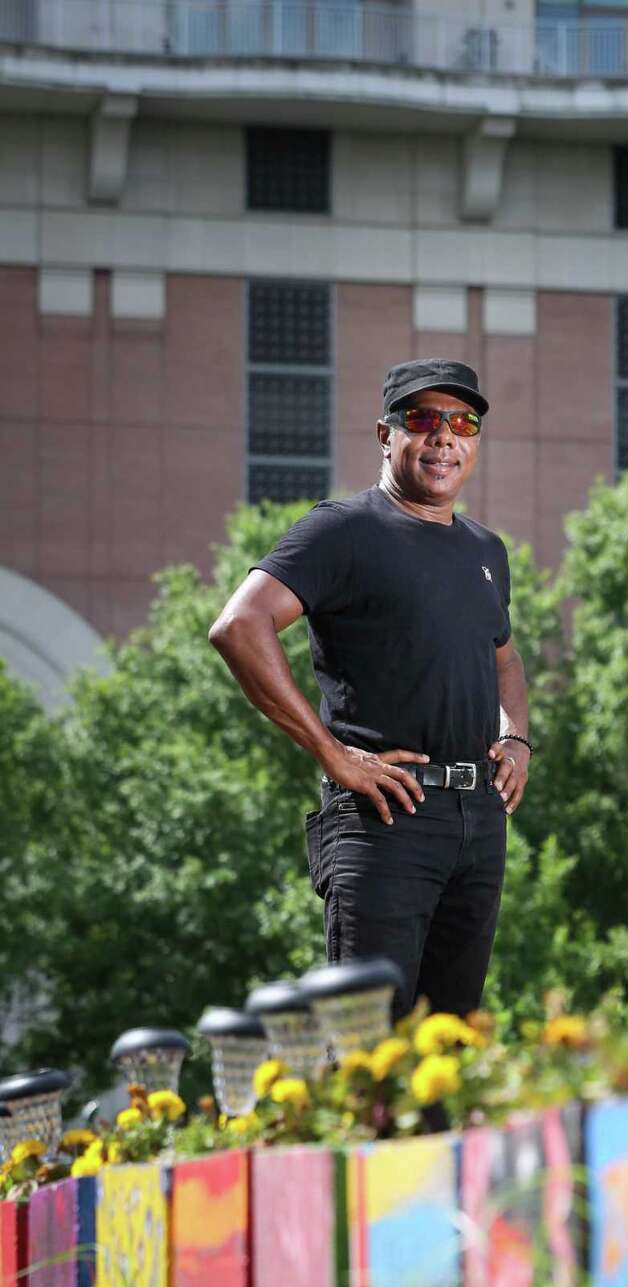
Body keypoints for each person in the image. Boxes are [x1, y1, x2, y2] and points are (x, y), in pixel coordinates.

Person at [209, 358, 530, 1017]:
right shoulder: (342, 530)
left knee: (452, 1044)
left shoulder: (485, 551)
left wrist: (517, 736)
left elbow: (504, 656)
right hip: (387, 820)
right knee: (370, 1052)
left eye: (462, 423)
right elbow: (240, 625)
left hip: (478, 824)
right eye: (423, 420)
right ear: (386, 435)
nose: (444, 436)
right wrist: (331, 753)